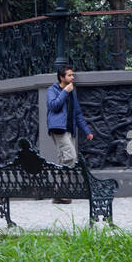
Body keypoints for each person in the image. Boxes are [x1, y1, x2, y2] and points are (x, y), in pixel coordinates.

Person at [46, 66, 93, 204]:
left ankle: (58, 193)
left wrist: (87, 131)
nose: (73, 78)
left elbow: (77, 113)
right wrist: (65, 92)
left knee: (62, 161)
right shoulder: (53, 90)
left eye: (73, 75)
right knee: (71, 157)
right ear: (61, 77)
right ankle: (62, 191)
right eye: (69, 75)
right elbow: (53, 106)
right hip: (58, 130)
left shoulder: (72, 93)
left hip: (69, 130)